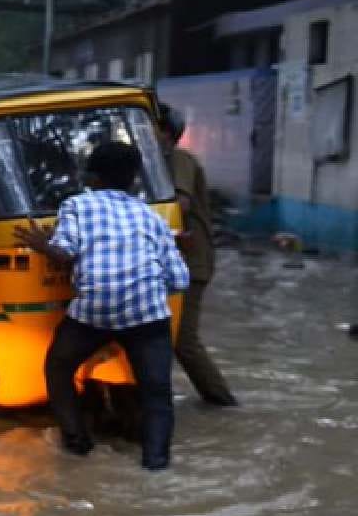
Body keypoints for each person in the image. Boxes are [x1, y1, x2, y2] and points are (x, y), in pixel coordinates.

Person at [14, 141, 189, 471]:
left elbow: (65, 251)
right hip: (148, 315)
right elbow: (179, 279)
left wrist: (42, 245)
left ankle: (77, 444)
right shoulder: (151, 217)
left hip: (94, 309)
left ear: (92, 178)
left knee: (59, 366)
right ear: (134, 180)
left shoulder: (77, 206)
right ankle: (156, 466)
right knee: (157, 394)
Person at [159, 104, 238, 406]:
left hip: (191, 261)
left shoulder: (178, 160)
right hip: (174, 260)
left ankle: (223, 402)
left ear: (165, 133)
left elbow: (181, 205)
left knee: (183, 341)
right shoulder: (157, 165)